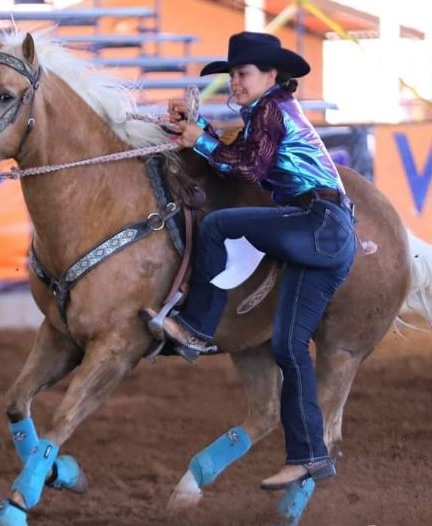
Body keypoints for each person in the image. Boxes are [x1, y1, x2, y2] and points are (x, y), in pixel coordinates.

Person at [143, 31, 357, 491]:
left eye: (242, 74)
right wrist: (199, 132)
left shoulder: (271, 111)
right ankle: (309, 456)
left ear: (270, 75)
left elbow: (247, 169)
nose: (235, 83)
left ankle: (196, 327)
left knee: (218, 227)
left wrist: (199, 140)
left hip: (317, 224)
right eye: (233, 75)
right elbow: (240, 157)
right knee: (288, 348)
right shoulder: (271, 111)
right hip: (327, 232)